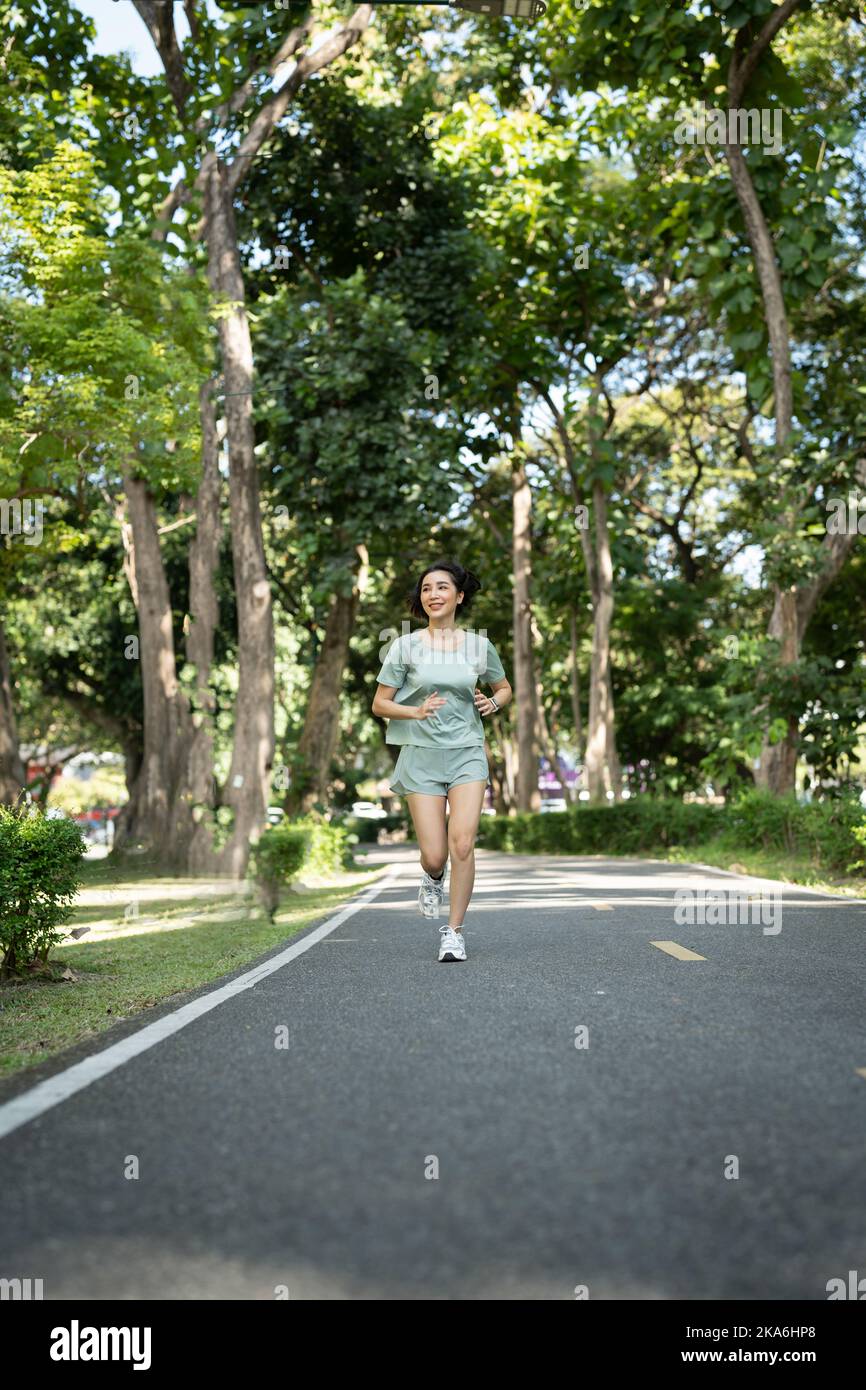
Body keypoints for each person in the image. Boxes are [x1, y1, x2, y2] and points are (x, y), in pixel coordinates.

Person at [371, 560, 512, 962]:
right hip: (421, 758)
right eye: (427, 588)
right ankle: (433, 877)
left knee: (463, 843)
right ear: (421, 599)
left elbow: (504, 688)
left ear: (459, 596)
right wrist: (412, 712)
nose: (433, 594)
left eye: (442, 587)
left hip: (467, 752)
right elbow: (380, 703)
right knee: (435, 855)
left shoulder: (478, 646)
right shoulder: (404, 646)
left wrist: (493, 702)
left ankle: (453, 932)